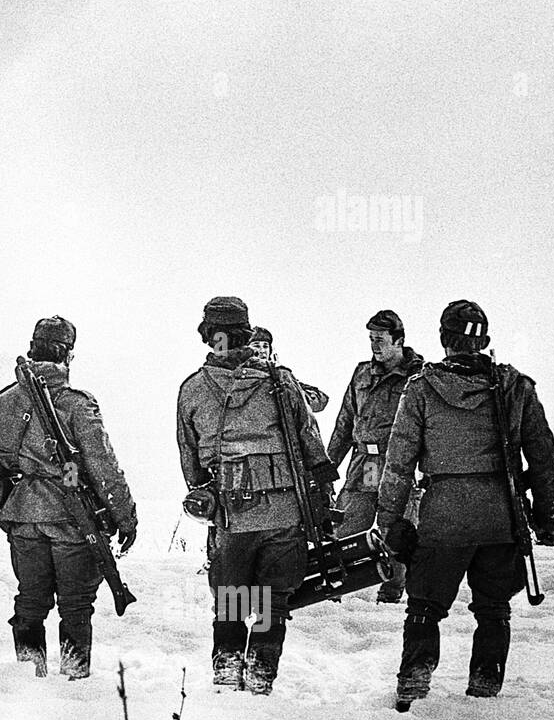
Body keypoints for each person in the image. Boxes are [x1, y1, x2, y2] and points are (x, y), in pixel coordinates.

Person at [375, 300, 554, 711]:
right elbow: (544, 458)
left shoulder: (422, 388)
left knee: (424, 605)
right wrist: (548, 518)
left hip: (443, 518)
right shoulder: (516, 387)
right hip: (501, 516)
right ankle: (484, 685)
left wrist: (389, 523)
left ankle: (414, 680)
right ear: (485, 341)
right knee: (494, 608)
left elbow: (399, 464)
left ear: (443, 339)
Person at [177, 297, 339, 694]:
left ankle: (227, 670)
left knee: (231, 596)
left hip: (233, 514)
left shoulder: (193, 390)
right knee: (272, 601)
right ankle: (262, 671)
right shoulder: (281, 381)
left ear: (208, 336)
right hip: (285, 514)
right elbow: (312, 447)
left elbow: (191, 464)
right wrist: (321, 505)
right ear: (247, 334)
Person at [0, 316, 137, 679]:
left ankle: (29, 678)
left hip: (22, 515)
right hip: (71, 520)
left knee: (30, 601)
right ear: (67, 353)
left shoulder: (1, 403)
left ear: (32, 346)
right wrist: (125, 516)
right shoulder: (78, 404)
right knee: (76, 606)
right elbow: (103, 467)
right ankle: (74, 681)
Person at [326, 310, 424, 603]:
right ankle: (333, 591)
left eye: (380, 340)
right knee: (345, 525)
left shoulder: (418, 377)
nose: (374, 346)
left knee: (395, 531)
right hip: (365, 463)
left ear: (399, 340)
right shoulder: (361, 373)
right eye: (371, 339)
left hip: (398, 465)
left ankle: (391, 595)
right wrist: (328, 468)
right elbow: (345, 423)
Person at [249, 327, 329, 413]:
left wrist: (291, 393)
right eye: (256, 346)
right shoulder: (239, 375)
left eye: (265, 346)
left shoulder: (280, 376)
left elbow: (319, 400)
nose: (262, 351)